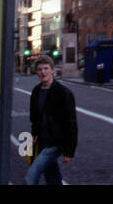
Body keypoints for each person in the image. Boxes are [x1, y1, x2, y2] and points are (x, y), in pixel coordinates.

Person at [27, 54, 76, 185]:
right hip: (42, 140)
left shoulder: (63, 92)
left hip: (56, 142)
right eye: (39, 69)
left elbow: (71, 123)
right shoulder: (36, 91)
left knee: (32, 175)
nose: (43, 72)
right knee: (52, 176)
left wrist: (69, 151)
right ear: (36, 72)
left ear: (52, 70)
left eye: (46, 68)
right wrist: (34, 135)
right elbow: (34, 117)